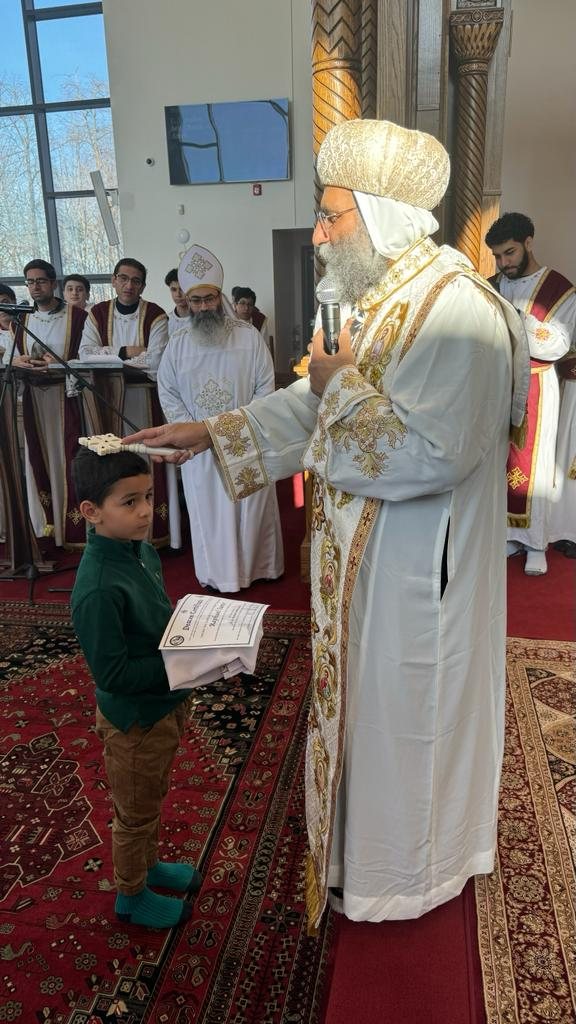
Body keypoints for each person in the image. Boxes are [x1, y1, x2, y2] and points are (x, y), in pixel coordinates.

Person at [125, 118, 529, 931]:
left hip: (420, 582)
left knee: (407, 724)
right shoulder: (381, 304)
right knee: (367, 723)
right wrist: (213, 432)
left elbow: (431, 454)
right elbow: (312, 406)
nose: (317, 232)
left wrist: (339, 386)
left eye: (331, 214)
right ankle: (355, 853)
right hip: (366, 573)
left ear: (381, 216)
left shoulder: (462, 312)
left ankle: (408, 873)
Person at [70, 446, 200, 927]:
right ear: (90, 512)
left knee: (152, 793)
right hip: (134, 720)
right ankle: (131, 894)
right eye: (129, 502)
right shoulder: (99, 587)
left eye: (148, 496)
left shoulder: (140, 549)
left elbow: (156, 615)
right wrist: (185, 665)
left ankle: (149, 865)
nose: (146, 510)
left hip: (163, 704)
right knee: (134, 812)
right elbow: (113, 675)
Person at [157, 244, 284, 592]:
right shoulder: (178, 343)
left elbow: (265, 386)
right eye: (195, 301)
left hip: (245, 440)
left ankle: (259, 568)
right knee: (209, 513)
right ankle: (217, 574)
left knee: (250, 509)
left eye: (208, 299)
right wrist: (191, 431)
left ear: (220, 296)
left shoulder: (248, 336)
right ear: (188, 301)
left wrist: (237, 428)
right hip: (200, 448)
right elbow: (167, 390)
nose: (202, 307)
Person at [485, 213, 575, 575]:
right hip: (499, 385)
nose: (503, 263)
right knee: (500, 462)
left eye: (509, 253)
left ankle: (536, 543)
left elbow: (558, 343)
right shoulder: (492, 284)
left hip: (539, 384)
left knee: (533, 466)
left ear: (528, 243)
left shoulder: (560, 289)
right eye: (497, 257)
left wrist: (518, 317)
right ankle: (509, 534)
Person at [79, 258, 179, 548]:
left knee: (145, 458)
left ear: (143, 286)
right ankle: (114, 530)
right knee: (112, 461)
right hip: (105, 398)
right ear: (113, 280)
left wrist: (109, 356)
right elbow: (85, 353)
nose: (129, 285)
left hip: (142, 397)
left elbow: (156, 360)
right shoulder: (97, 313)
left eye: (136, 281)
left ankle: (153, 533)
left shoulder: (156, 315)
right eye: (123, 278)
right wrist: (124, 352)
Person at [9, 259, 87, 547]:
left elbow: (88, 356)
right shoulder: (21, 320)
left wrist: (62, 363)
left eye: (40, 281)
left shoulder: (76, 317)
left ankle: (75, 530)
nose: (35, 287)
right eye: (29, 282)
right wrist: (19, 361)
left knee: (68, 457)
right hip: (33, 398)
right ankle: (45, 529)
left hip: (65, 398)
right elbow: (10, 358)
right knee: (38, 461)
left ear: (53, 283)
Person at [231, 286, 271, 350]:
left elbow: (265, 348)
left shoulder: (260, 321)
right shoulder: (228, 321)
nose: (246, 308)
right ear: (235, 305)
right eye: (242, 303)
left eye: (250, 304)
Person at [164, 267, 192, 337]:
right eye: (173, 289)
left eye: (182, 289)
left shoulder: (202, 319)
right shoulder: (166, 322)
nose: (178, 294)